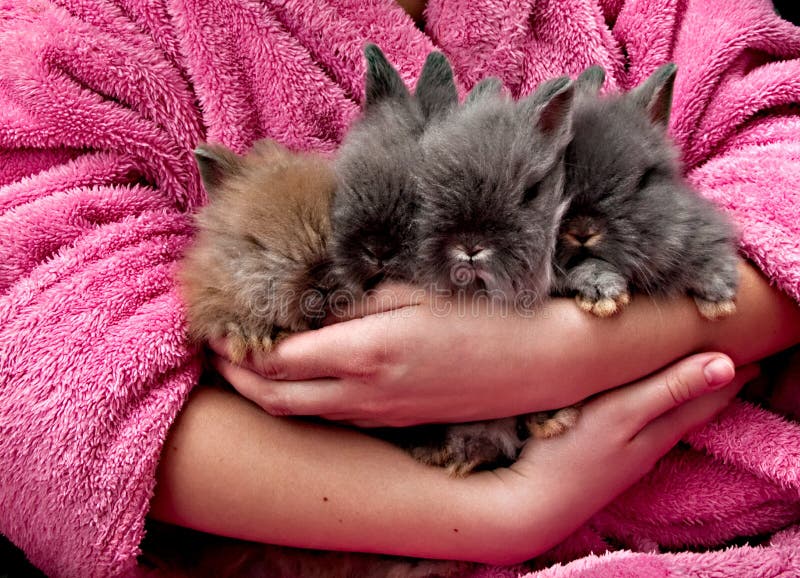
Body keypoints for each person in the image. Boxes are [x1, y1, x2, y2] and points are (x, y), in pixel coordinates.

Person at [0, 0, 798, 576]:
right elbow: (37, 383)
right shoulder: (83, 33)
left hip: (693, 511)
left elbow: (778, 156)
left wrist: (568, 352)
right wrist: (500, 514)